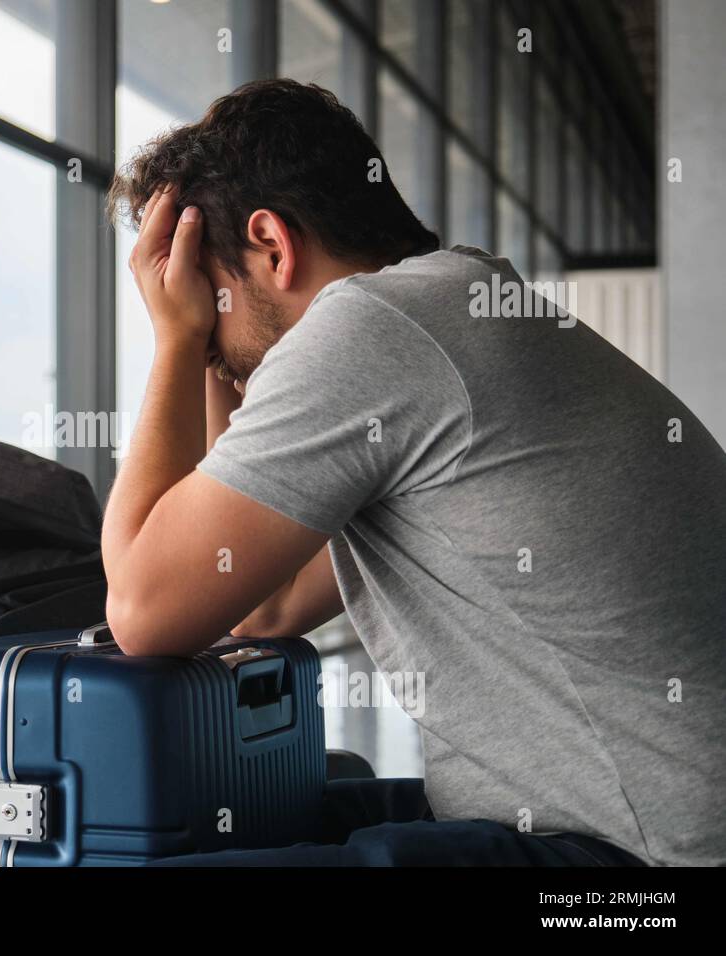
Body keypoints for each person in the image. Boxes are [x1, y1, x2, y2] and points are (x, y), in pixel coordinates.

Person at [102, 78, 726, 866]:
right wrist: (217, 344)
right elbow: (262, 605)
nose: (194, 311)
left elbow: (143, 610)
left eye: (207, 288)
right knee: (207, 818)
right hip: (647, 824)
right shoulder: (456, 305)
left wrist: (177, 342)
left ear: (271, 244)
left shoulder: (372, 328)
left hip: (643, 869)